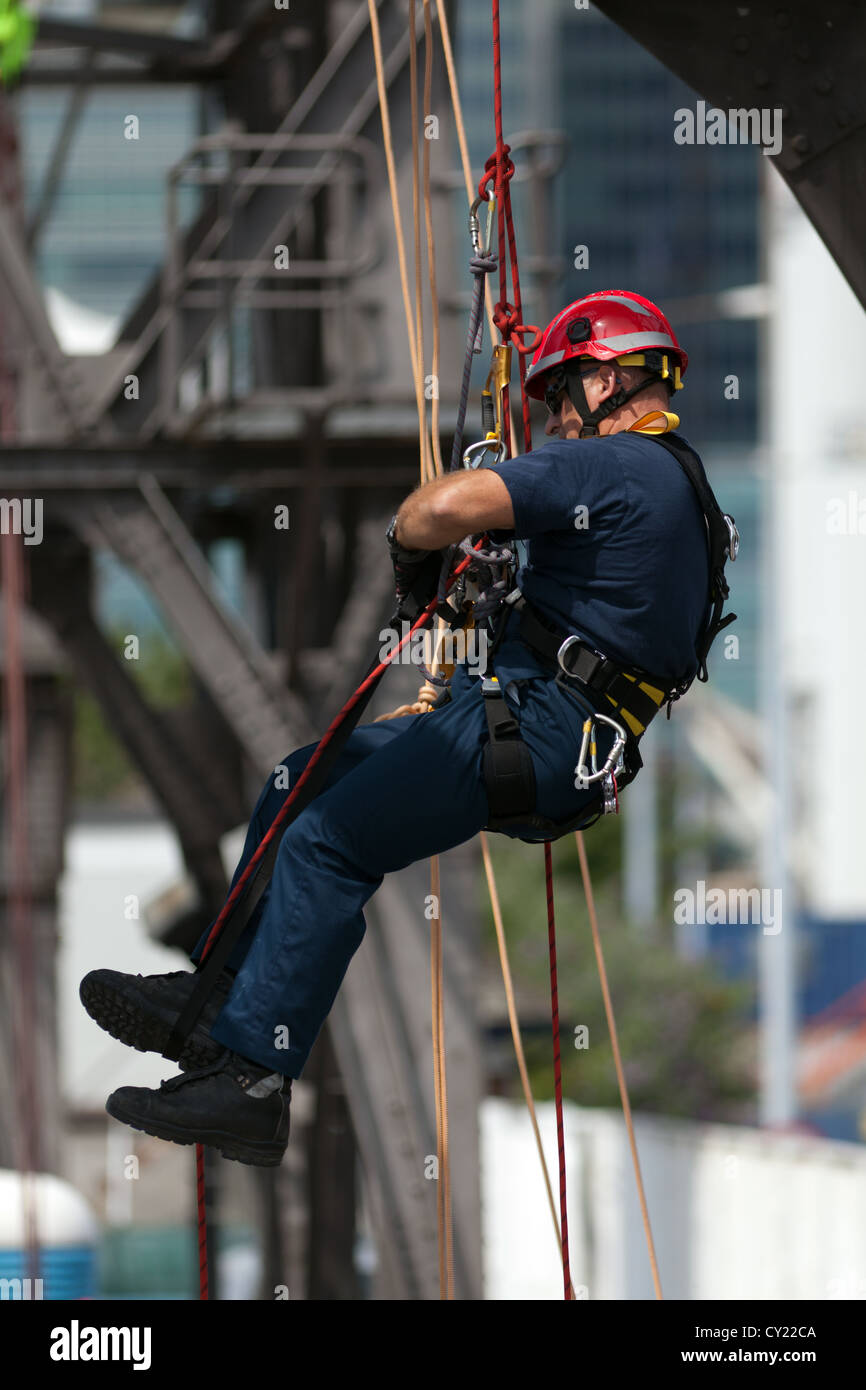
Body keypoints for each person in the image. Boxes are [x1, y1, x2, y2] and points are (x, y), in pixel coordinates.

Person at [80, 290, 711, 1167]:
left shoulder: (616, 468)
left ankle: (254, 1082)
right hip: (549, 731)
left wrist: (414, 553)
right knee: (298, 781)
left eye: (564, 399)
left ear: (608, 378)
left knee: (330, 842)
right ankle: (218, 1001)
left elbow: (434, 510)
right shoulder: (672, 487)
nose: (560, 423)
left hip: (540, 730)